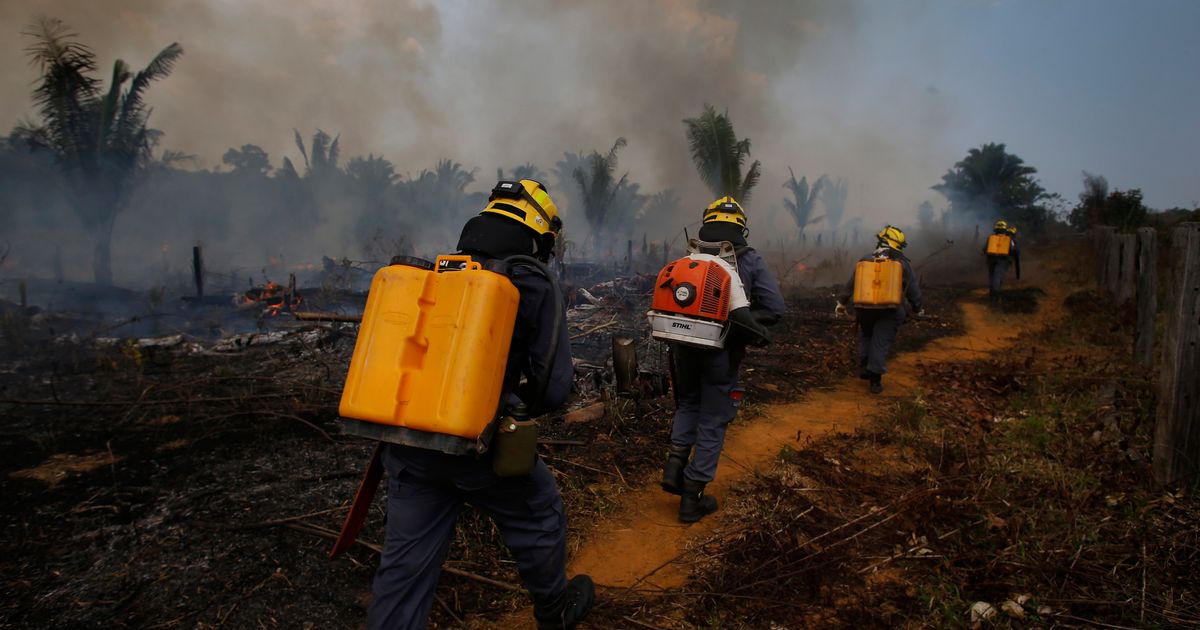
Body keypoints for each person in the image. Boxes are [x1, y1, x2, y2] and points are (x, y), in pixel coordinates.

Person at [366, 180, 593, 630]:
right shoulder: (531, 277)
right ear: (539, 232)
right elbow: (552, 384)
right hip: (480, 445)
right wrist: (521, 406)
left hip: (411, 440)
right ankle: (554, 608)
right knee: (539, 509)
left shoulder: (444, 269)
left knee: (404, 566)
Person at [660, 196, 785, 523]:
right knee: (714, 418)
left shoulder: (691, 257)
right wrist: (744, 324)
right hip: (722, 353)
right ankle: (692, 497)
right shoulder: (749, 260)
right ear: (741, 228)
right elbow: (775, 309)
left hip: (683, 346)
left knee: (688, 404)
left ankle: (674, 469)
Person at [835, 225, 924, 394]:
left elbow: (852, 283)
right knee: (880, 340)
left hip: (864, 308)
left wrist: (842, 302)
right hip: (889, 310)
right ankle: (875, 379)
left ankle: (864, 365)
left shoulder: (866, 259)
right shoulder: (902, 263)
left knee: (867, 335)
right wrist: (917, 307)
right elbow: (913, 289)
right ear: (897, 244)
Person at [983, 219, 1021, 296]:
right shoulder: (1009, 239)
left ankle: (992, 292)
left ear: (996, 229)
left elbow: (984, 249)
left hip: (991, 259)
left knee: (992, 275)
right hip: (1003, 260)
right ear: (1005, 229)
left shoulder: (990, 238)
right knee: (998, 276)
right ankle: (996, 293)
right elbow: (1013, 250)